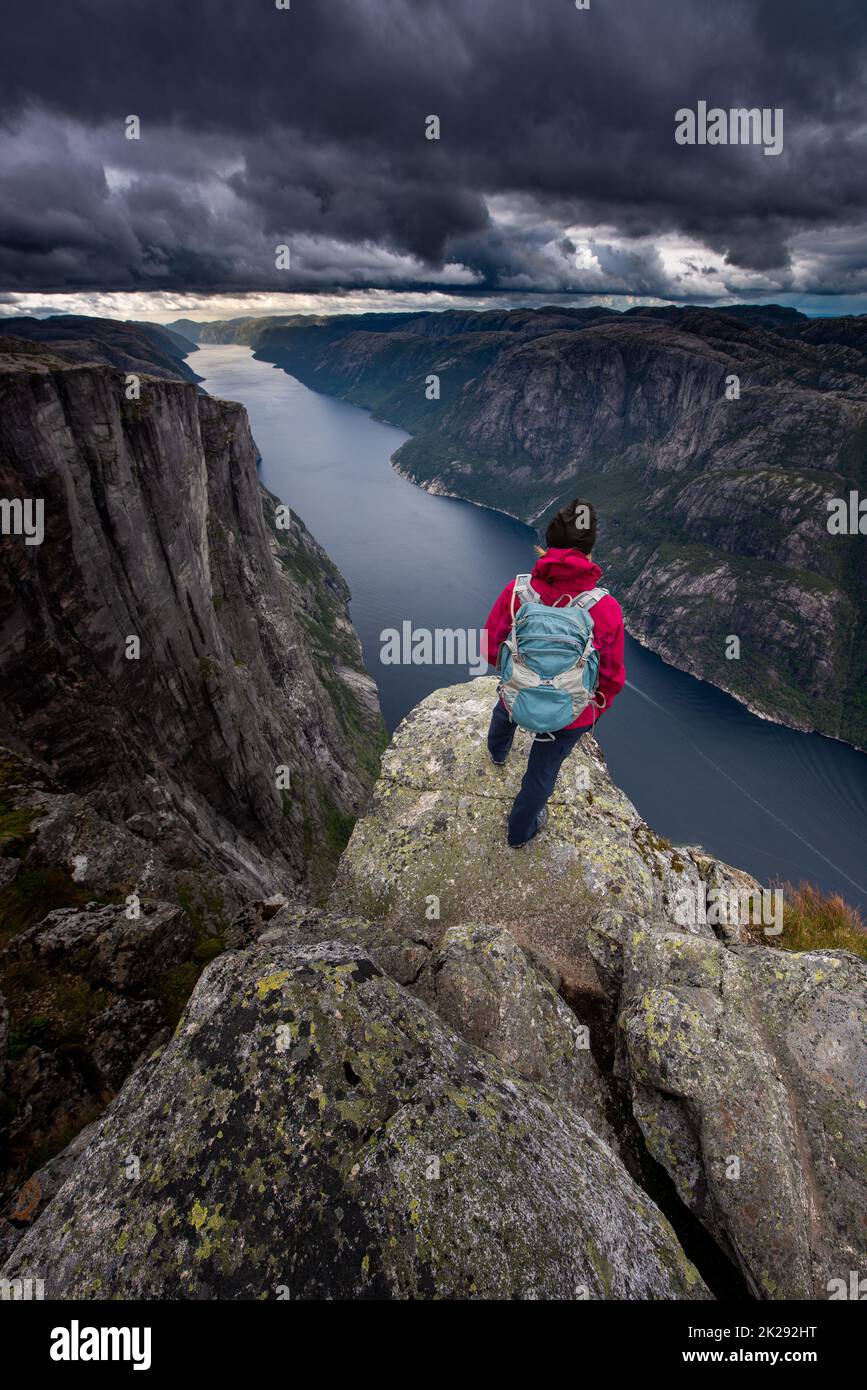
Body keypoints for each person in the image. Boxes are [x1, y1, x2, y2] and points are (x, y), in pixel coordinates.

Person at [484, 498, 625, 847]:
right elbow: (611, 677)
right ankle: (518, 834)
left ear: (547, 544)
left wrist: (514, 675)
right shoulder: (604, 608)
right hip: (569, 712)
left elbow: (492, 644)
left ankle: (497, 752)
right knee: (541, 774)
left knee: (506, 707)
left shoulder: (518, 591)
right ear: (590, 550)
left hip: (517, 691)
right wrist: (591, 710)